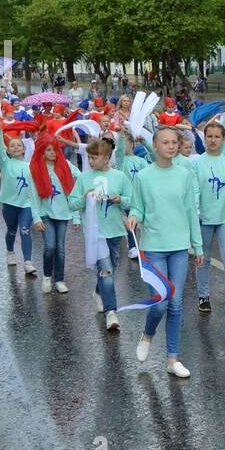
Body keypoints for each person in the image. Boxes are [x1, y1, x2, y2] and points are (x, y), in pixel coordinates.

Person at [125, 128, 205, 378]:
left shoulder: (184, 174)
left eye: (174, 142)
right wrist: (134, 217)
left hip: (179, 247)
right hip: (154, 246)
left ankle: (172, 359)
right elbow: (137, 205)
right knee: (160, 302)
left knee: (176, 303)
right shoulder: (144, 177)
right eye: (165, 142)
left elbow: (191, 210)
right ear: (155, 146)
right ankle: (148, 334)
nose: (171, 146)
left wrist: (198, 245)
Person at [69, 136, 132, 330]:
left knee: (110, 269)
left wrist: (119, 199)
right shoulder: (84, 178)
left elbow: (131, 201)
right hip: (96, 234)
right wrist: (84, 197)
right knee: (106, 271)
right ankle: (111, 312)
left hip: (115, 231)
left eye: (95, 157)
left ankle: (99, 292)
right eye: (89, 157)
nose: (91, 161)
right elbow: (72, 203)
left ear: (106, 158)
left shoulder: (120, 177)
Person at [188, 120, 225, 314]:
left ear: (223, 139)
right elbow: (195, 188)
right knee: (203, 259)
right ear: (204, 138)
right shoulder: (196, 161)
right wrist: (197, 211)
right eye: (209, 136)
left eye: (217, 137)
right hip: (204, 217)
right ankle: (203, 295)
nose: (213, 140)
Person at [30, 133, 77, 293]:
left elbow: (80, 180)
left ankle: (60, 279)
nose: (52, 153)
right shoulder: (36, 170)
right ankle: (47, 276)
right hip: (46, 214)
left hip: (63, 214)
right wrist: (36, 218)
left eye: (54, 149)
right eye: (48, 150)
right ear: (41, 151)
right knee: (50, 246)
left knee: (60, 248)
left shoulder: (66, 165)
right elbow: (33, 196)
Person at [0, 117, 38, 275]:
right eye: (12, 146)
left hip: (26, 204)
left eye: (19, 145)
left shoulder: (29, 166)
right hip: (10, 203)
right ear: (8, 150)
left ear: (24, 149)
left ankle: (28, 262)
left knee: (25, 230)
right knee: (11, 230)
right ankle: (10, 251)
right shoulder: (5, 162)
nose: (16, 147)